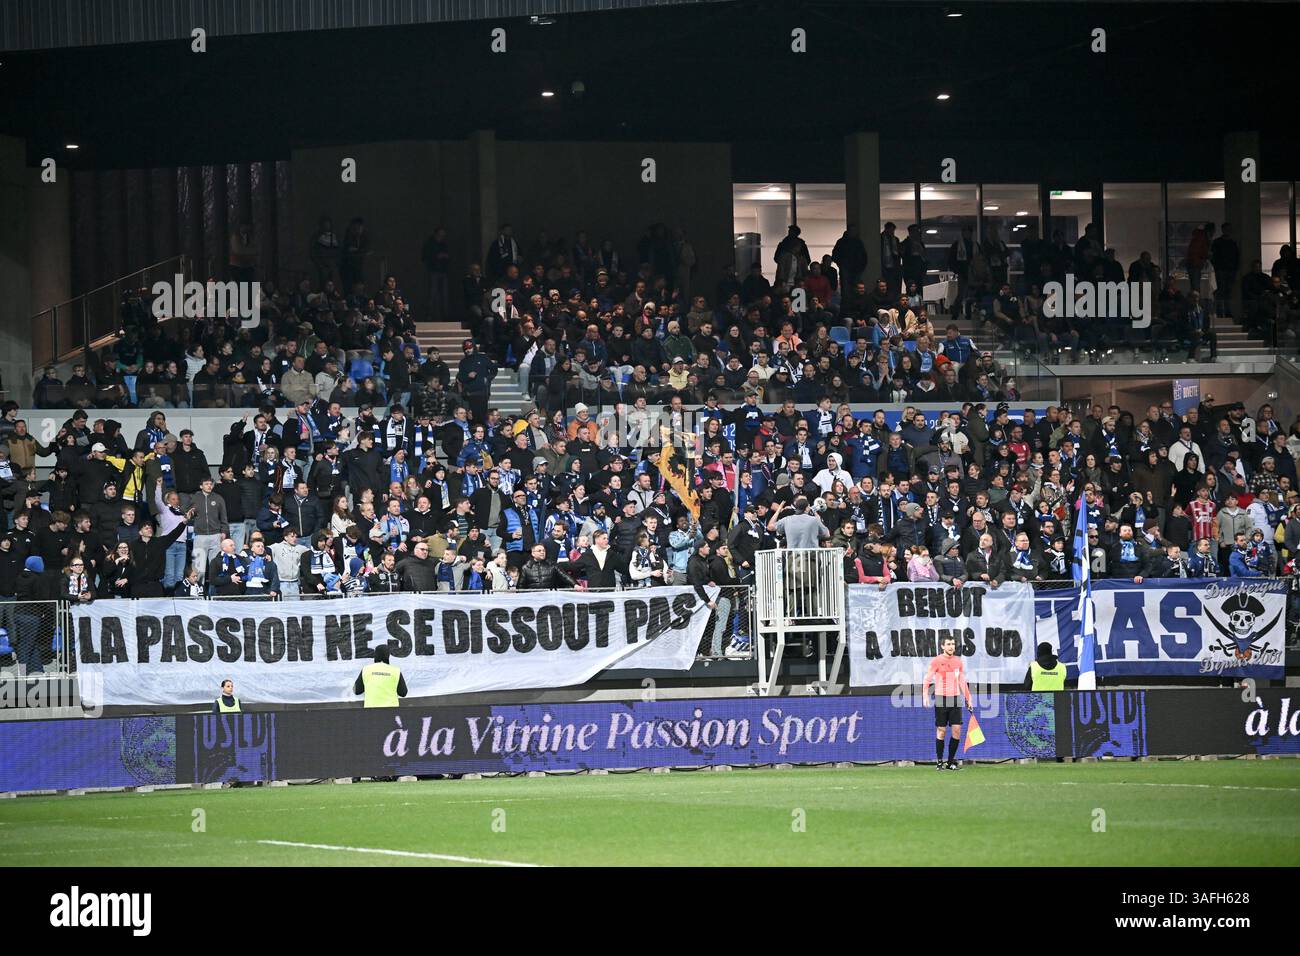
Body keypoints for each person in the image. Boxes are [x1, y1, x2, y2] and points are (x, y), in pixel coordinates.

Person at [921, 635, 973, 771]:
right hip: (941, 698)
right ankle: (939, 762)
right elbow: (927, 679)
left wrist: (969, 699)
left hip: (955, 698)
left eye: (953, 644)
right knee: (942, 731)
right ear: (942, 646)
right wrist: (925, 695)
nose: (951, 647)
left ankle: (950, 762)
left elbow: (962, 681)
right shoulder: (937, 661)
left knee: (956, 730)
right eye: (948, 644)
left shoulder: (958, 661)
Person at [353, 643, 407, 708]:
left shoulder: (366, 670)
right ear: (388, 656)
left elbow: (356, 691)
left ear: (375, 655)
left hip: (371, 711)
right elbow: (403, 693)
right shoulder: (395, 671)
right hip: (391, 711)